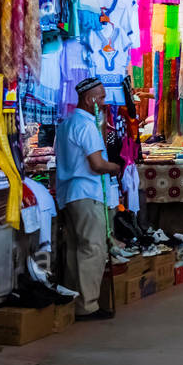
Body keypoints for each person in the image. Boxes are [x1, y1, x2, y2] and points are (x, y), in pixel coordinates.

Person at [55, 77, 124, 320]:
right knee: (92, 249)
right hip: (87, 194)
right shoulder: (85, 126)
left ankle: (74, 301)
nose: (105, 102)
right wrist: (114, 167)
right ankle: (87, 305)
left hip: (70, 196)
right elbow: (96, 164)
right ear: (89, 99)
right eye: (102, 97)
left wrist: (102, 125)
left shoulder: (66, 124)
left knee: (75, 249)